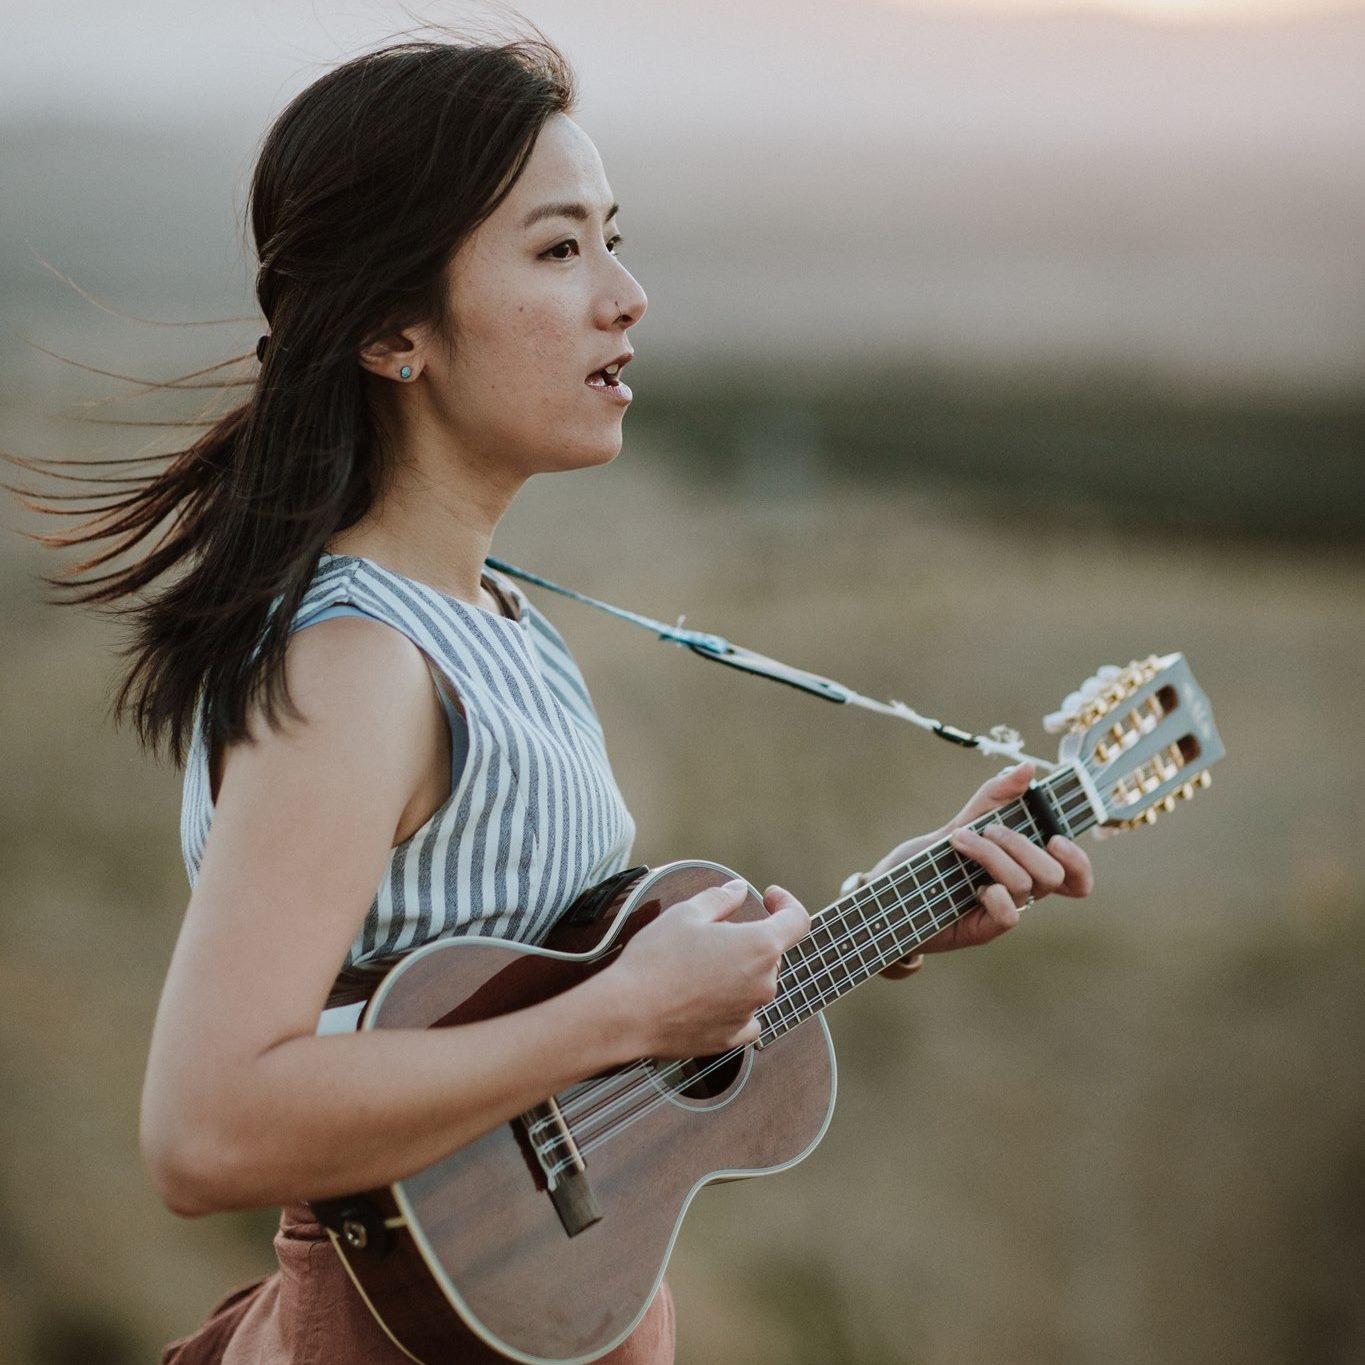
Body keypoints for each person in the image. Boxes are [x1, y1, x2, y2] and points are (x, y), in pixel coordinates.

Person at [14, 30, 1094, 1365]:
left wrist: (889, 911)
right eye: (557, 249)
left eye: (613, 237)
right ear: (393, 332)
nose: (626, 294)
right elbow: (206, 1128)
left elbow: (554, 1014)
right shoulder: (356, 664)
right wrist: (633, 1008)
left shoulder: (500, 624)